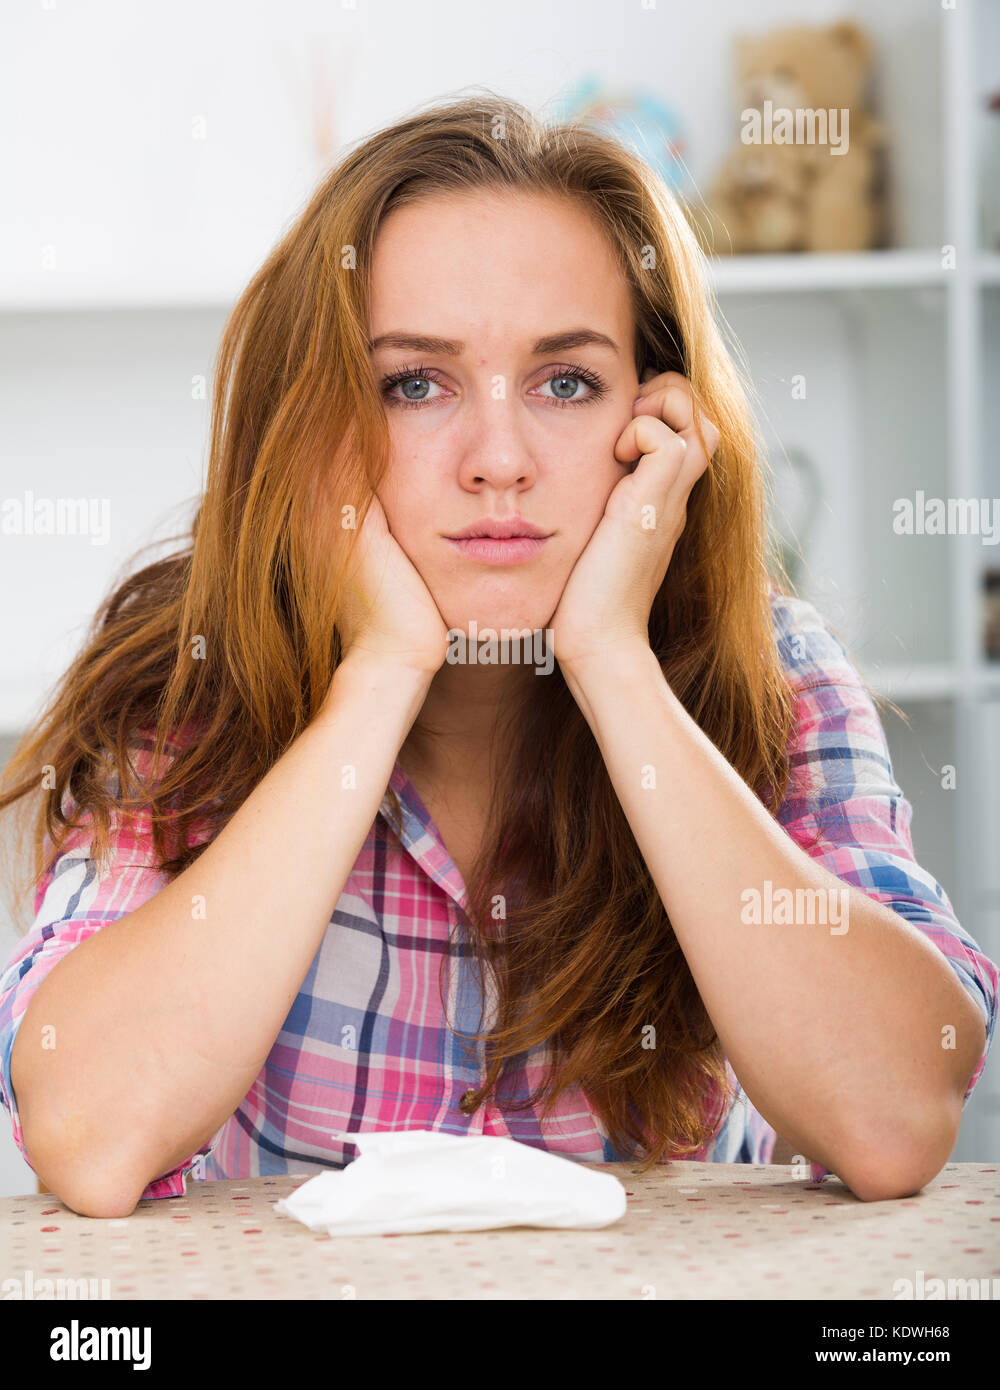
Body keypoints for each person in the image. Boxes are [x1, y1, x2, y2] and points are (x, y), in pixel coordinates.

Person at [0, 95, 995, 1219]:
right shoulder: (189, 675)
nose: (499, 460)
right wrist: (381, 671)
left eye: (564, 381)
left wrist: (613, 659)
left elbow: (895, 1117)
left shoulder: (766, 668)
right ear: (314, 425)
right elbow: (86, 1132)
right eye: (412, 384)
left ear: (656, 418)